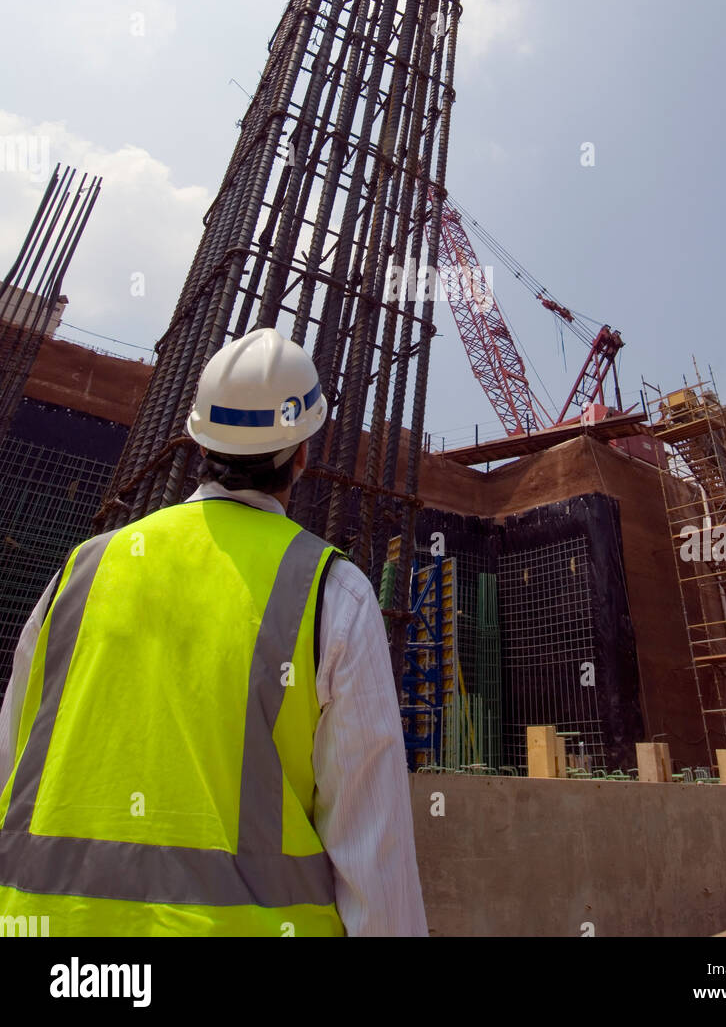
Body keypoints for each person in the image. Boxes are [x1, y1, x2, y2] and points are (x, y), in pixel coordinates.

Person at [0, 328, 428, 936]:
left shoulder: (81, 574)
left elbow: (9, 763)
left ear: (199, 440)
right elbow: (373, 854)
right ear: (302, 452)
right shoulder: (333, 594)